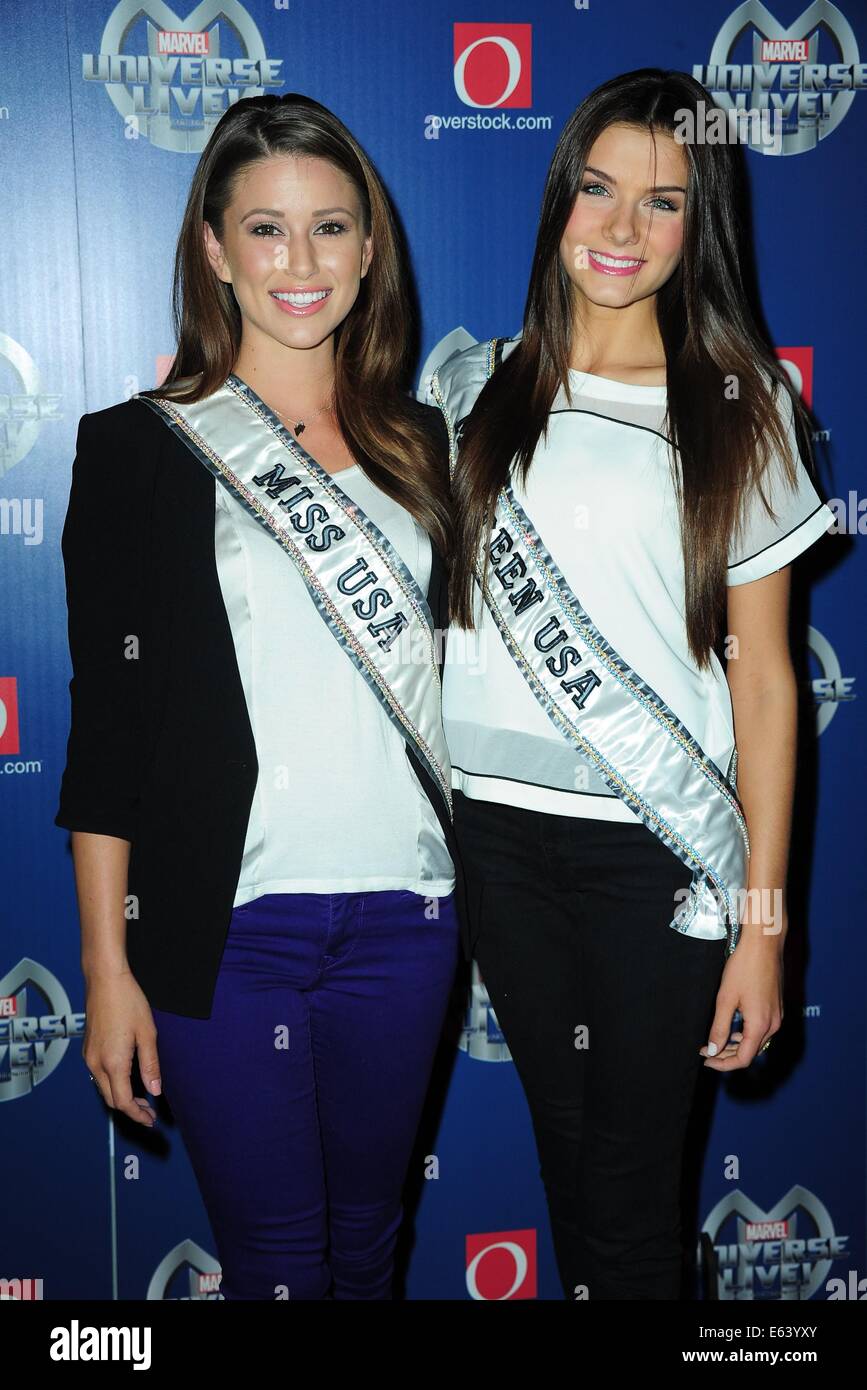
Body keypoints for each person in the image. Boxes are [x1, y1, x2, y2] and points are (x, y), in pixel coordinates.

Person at [427, 68, 834, 1300]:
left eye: (660, 204)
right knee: (574, 1174)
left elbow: (767, 683)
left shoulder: (741, 404)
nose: (617, 229)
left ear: (700, 225)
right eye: (596, 190)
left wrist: (763, 929)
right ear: (559, 201)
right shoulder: (477, 386)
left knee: (633, 1194)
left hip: (655, 856)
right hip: (497, 841)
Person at [54, 92, 466, 1301]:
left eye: (331, 228)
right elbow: (108, 735)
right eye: (267, 229)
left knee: (371, 1251)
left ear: (371, 249)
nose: (302, 262)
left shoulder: (427, 446)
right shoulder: (135, 449)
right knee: (280, 1269)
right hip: (230, 934)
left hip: (409, 920)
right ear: (214, 249)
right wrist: (106, 967)